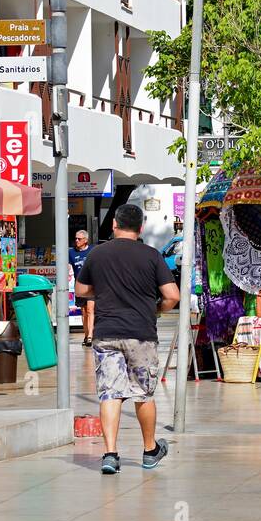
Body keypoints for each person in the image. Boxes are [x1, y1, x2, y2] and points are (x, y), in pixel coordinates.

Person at [75, 203, 179, 474]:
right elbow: (172, 296)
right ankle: (149, 451)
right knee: (143, 394)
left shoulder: (97, 254)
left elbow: (81, 289)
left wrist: (105, 292)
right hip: (141, 334)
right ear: (141, 228)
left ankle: (110, 455)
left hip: (106, 333)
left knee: (110, 393)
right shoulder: (151, 255)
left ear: (114, 225)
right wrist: (156, 308)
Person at [70, 229, 95, 347]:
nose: (76, 241)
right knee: (84, 312)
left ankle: (90, 335)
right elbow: (68, 266)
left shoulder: (92, 250)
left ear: (85, 240)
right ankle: (86, 335)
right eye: (75, 238)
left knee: (90, 310)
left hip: (91, 285)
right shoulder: (71, 252)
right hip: (79, 286)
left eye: (79, 239)